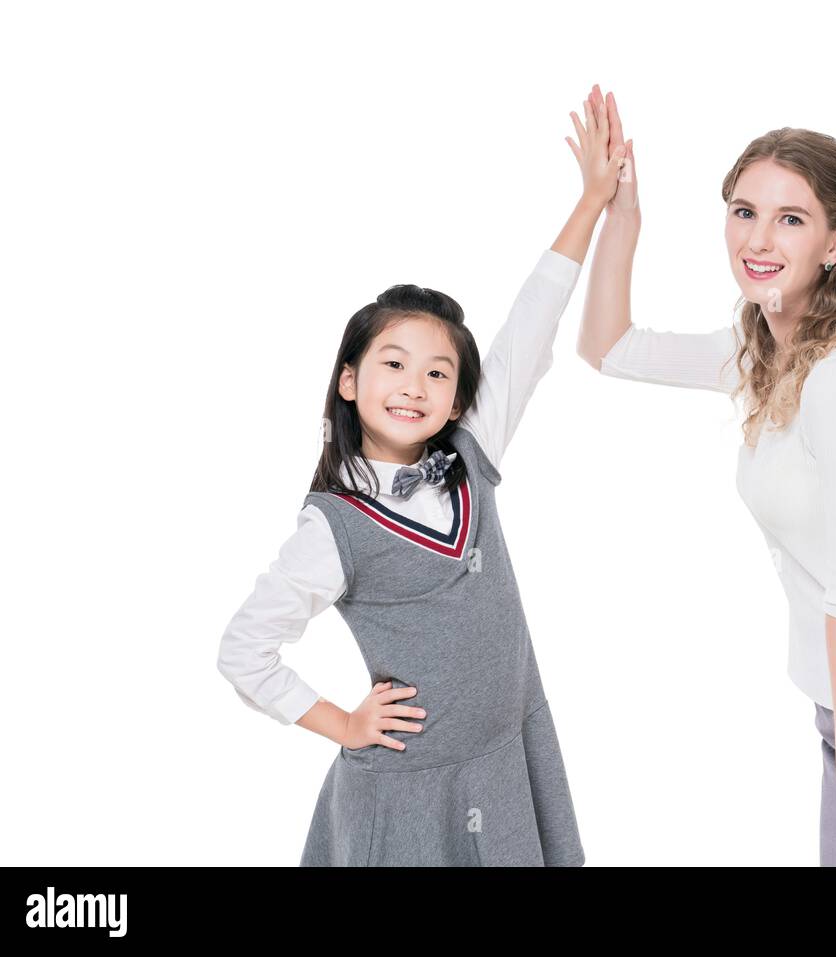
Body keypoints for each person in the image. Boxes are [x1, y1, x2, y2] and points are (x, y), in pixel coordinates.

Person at [575, 84, 836, 866]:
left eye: (790, 218)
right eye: (744, 211)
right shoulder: (760, 353)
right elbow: (608, 348)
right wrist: (622, 209)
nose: (758, 238)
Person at [216, 94, 628, 866]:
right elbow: (244, 647)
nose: (414, 386)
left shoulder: (472, 451)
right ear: (349, 381)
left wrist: (593, 202)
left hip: (506, 753)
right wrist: (344, 723)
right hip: (409, 792)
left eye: (437, 371)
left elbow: (531, 322)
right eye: (393, 365)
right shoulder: (334, 528)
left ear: (458, 396)